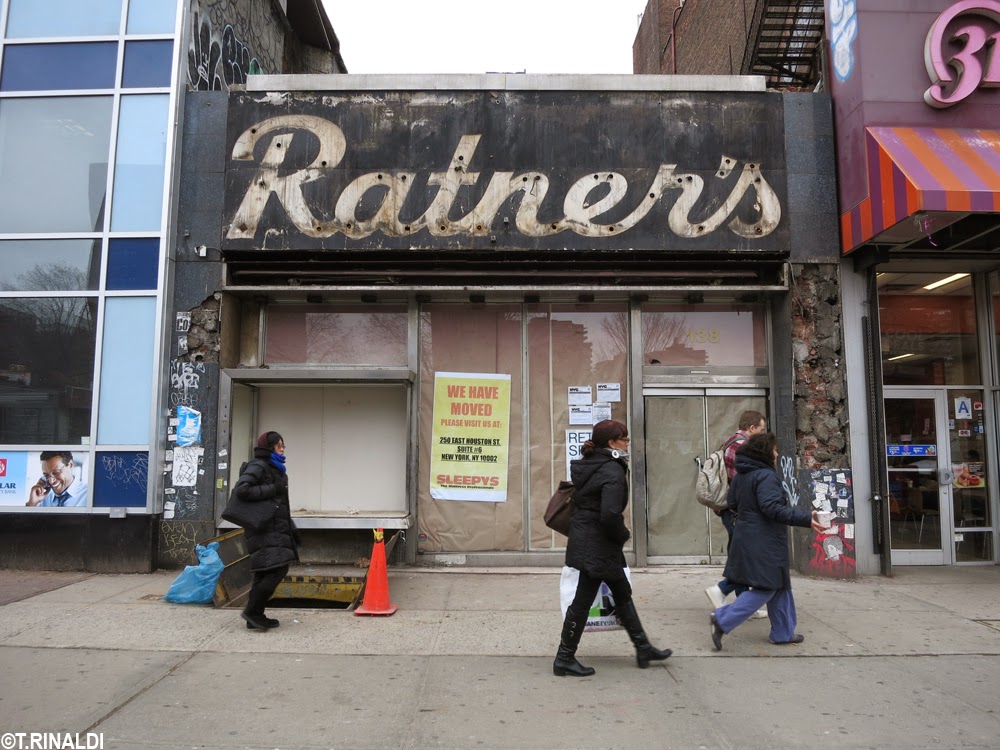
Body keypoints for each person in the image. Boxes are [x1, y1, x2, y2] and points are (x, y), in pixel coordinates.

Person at [553, 419, 672, 676]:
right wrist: (623, 534)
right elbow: (609, 514)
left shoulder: (592, 463)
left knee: (621, 592)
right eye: (624, 438)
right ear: (611, 443)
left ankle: (643, 647)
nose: (628, 442)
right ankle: (564, 658)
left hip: (592, 540)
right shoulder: (612, 471)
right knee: (583, 601)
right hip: (598, 544)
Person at [709, 432, 826, 650]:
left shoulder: (742, 475)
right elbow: (771, 508)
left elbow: (733, 503)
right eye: (774, 449)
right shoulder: (766, 476)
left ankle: (782, 633)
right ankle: (722, 619)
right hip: (764, 540)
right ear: (765, 452)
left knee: (779, 584)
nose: (776, 453)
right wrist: (806, 518)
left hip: (749, 536)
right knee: (767, 587)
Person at [232, 431, 300, 630]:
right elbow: (242, 490)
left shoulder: (275, 469)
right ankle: (253, 612)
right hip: (263, 527)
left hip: (275, 527)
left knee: (266, 570)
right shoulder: (259, 466)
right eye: (279, 446)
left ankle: (254, 615)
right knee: (277, 568)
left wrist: (291, 529)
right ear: (269, 448)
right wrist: (273, 488)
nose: (282, 449)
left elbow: (279, 505)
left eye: (283, 445)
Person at [705, 410, 768, 619]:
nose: (762, 434)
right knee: (743, 556)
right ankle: (721, 590)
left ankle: (744, 605)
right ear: (752, 428)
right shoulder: (741, 447)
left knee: (740, 555)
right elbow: (740, 483)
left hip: (732, 510)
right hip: (736, 511)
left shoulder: (730, 442)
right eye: (761, 430)